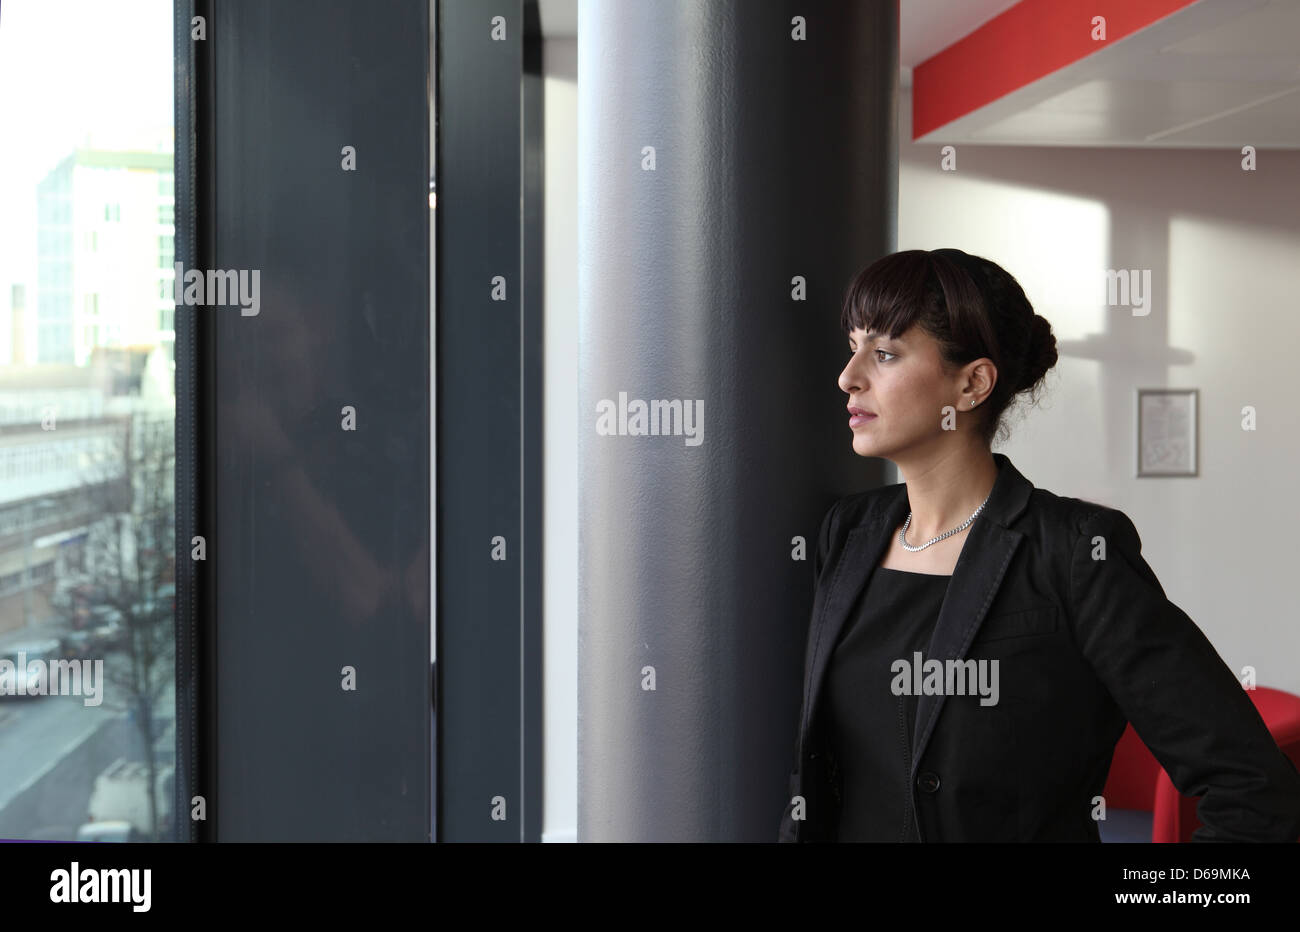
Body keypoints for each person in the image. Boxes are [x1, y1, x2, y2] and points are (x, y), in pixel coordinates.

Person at [778, 248, 1300, 842]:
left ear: (972, 383)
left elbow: (1255, 791)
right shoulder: (848, 533)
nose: (848, 376)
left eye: (886, 353)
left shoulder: (1076, 554)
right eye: (853, 346)